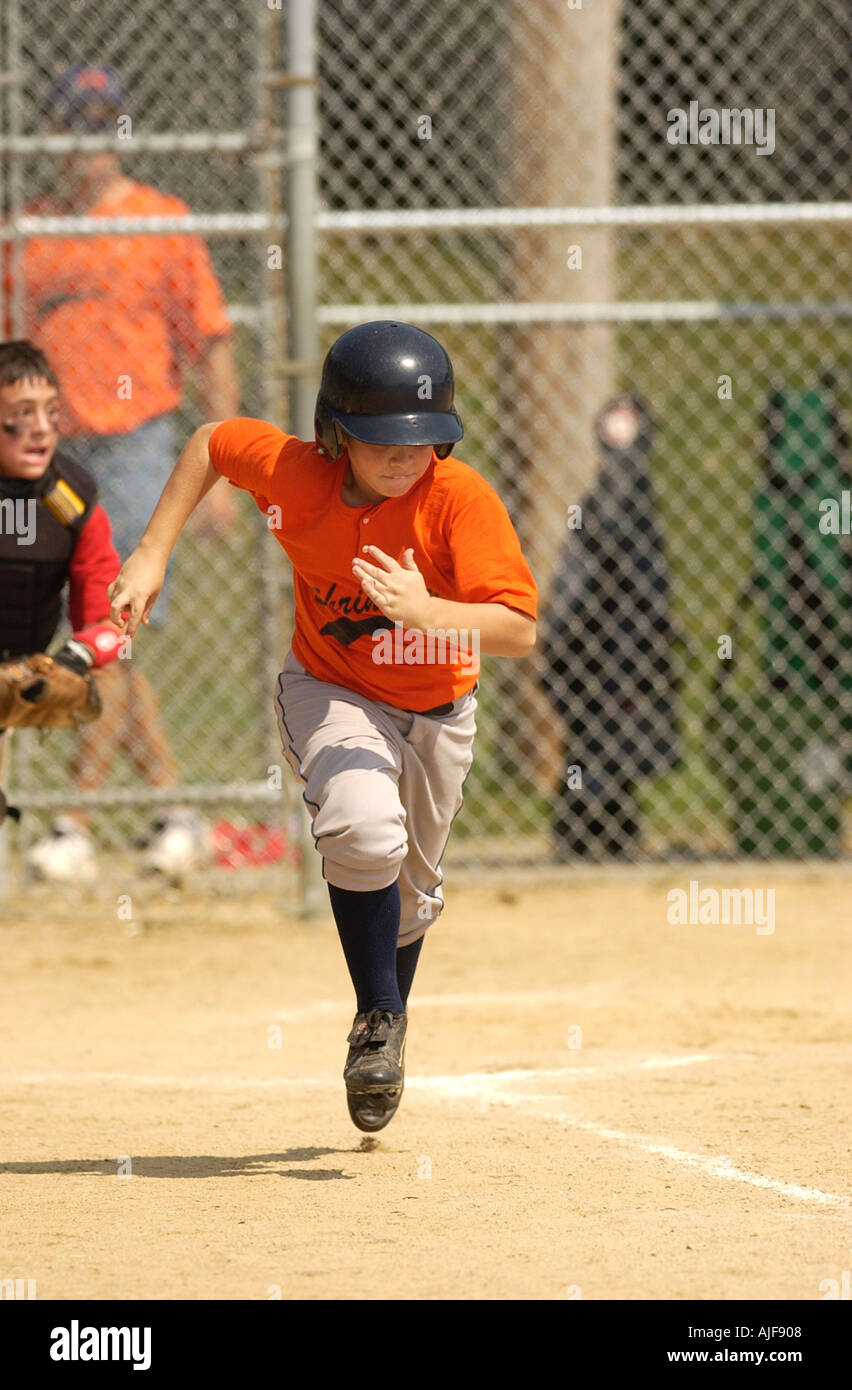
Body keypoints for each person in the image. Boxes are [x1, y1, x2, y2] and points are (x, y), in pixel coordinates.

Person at [108, 320, 538, 1132]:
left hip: (439, 710)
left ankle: (385, 1031)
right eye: (383, 442)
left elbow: (519, 629)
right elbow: (211, 441)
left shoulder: (458, 498)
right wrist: (153, 552)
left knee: (412, 896)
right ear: (334, 434)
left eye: (423, 440)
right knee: (361, 828)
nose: (407, 457)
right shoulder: (297, 478)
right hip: (330, 688)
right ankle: (377, 1020)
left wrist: (428, 612)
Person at [7, 63, 241, 878]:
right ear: (54, 133)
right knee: (102, 631)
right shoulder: (28, 230)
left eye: (106, 121)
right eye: (77, 122)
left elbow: (208, 337)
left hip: (141, 439)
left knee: (112, 620)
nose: (92, 140)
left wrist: (223, 467)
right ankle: (174, 812)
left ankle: (74, 822)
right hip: (53, 451)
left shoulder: (161, 220)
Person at [0, 340, 122, 877]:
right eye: (19, 416)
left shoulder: (68, 498)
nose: (42, 429)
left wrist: (76, 657)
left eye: (50, 412)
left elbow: (108, 618)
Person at [540, 397, 681, 860]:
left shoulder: (630, 502)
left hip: (626, 645)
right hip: (591, 644)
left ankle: (604, 823)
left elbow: (649, 583)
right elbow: (576, 581)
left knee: (611, 735)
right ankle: (588, 825)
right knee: (591, 738)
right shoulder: (604, 504)